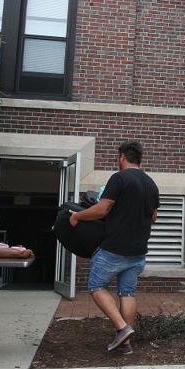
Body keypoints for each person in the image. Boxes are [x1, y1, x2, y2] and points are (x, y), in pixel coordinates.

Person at [70, 141, 159, 355]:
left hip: (114, 248)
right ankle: (125, 344)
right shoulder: (151, 184)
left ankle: (122, 328)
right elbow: (153, 217)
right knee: (127, 292)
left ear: (122, 157)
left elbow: (102, 209)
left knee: (96, 286)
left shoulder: (119, 178)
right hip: (138, 251)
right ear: (140, 158)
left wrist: (77, 216)